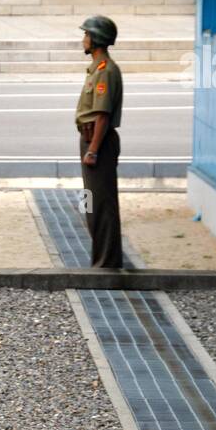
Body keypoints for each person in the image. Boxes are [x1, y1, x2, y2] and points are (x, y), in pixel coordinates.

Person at [75, 15, 124, 269]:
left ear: (95, 39)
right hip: (91, 140)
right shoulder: (97, 69)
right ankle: (101, 259)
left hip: (98, 143)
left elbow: (102, 115)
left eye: (86, 34)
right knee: (91, 202)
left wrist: (93, 150)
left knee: (101, 206)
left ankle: (107, 263)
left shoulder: (105, 71)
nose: (83, 39)